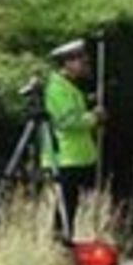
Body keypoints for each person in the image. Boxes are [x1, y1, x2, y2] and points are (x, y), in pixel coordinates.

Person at [41, 39, 105, 242]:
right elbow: (66, 121)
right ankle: (60, 244)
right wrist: (94, 117)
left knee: (71, 205)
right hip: (63, 156)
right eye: (82, 62)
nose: (86, 66)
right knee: (65, 207)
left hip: (76, 156)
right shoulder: (56, 88)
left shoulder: (70, 87)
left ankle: (65, 243)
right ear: (68, 63)